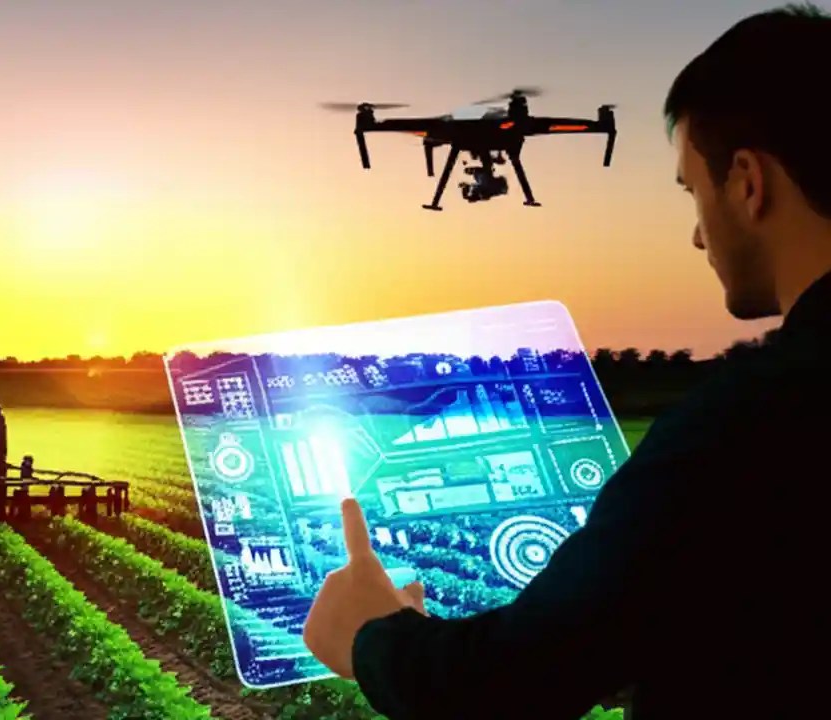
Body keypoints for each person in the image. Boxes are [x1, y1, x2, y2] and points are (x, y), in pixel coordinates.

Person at [302, 4, 831, 718]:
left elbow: (498, 684)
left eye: (693, 192)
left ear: (745, 181)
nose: (699, 238)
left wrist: (367, 634)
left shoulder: (745, 429)